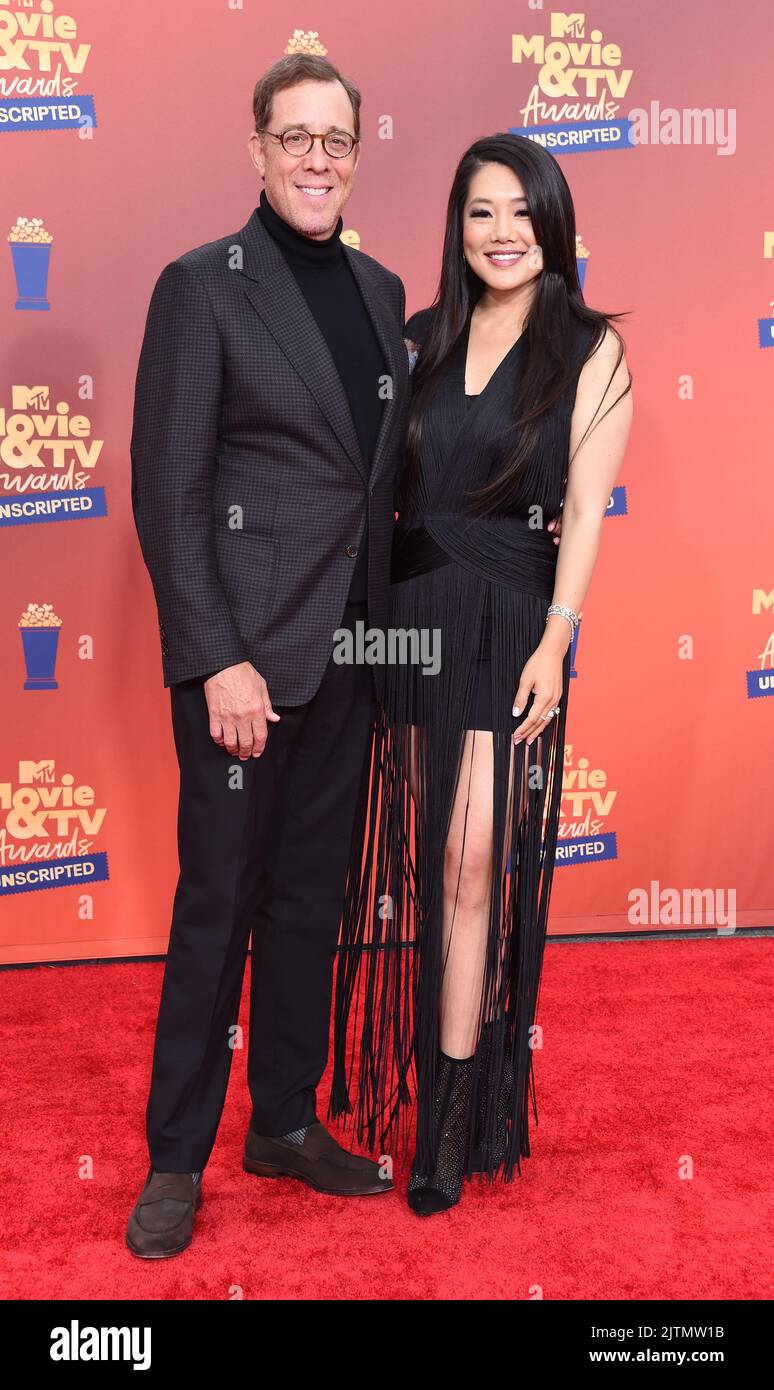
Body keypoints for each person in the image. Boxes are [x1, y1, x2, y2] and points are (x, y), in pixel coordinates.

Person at [126, 53, 409, 1258]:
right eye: (292, 138)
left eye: (335, 139)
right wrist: (214, 660)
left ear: (357, 150)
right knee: (216, 908)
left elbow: (376, 480)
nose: (315, 158)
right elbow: (167, 490)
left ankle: (284, 1117)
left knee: (310, 904)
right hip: (245, 668)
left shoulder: (383, 287)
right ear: (255, 150)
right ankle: (175, 1156)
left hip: (353, 653)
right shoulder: (203, 287)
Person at [329, 133, 633, 1215]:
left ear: (554, 225)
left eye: (521, 212)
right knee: (429, 863)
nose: (501, 234)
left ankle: (455, 1114)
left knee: (470, 867)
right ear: (456, 227)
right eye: (479, 213)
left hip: (510, 620)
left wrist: (557, 642)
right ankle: (444, 1082)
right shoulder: (419, 339)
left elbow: (589, 510)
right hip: (413, 618)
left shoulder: (589, 347)